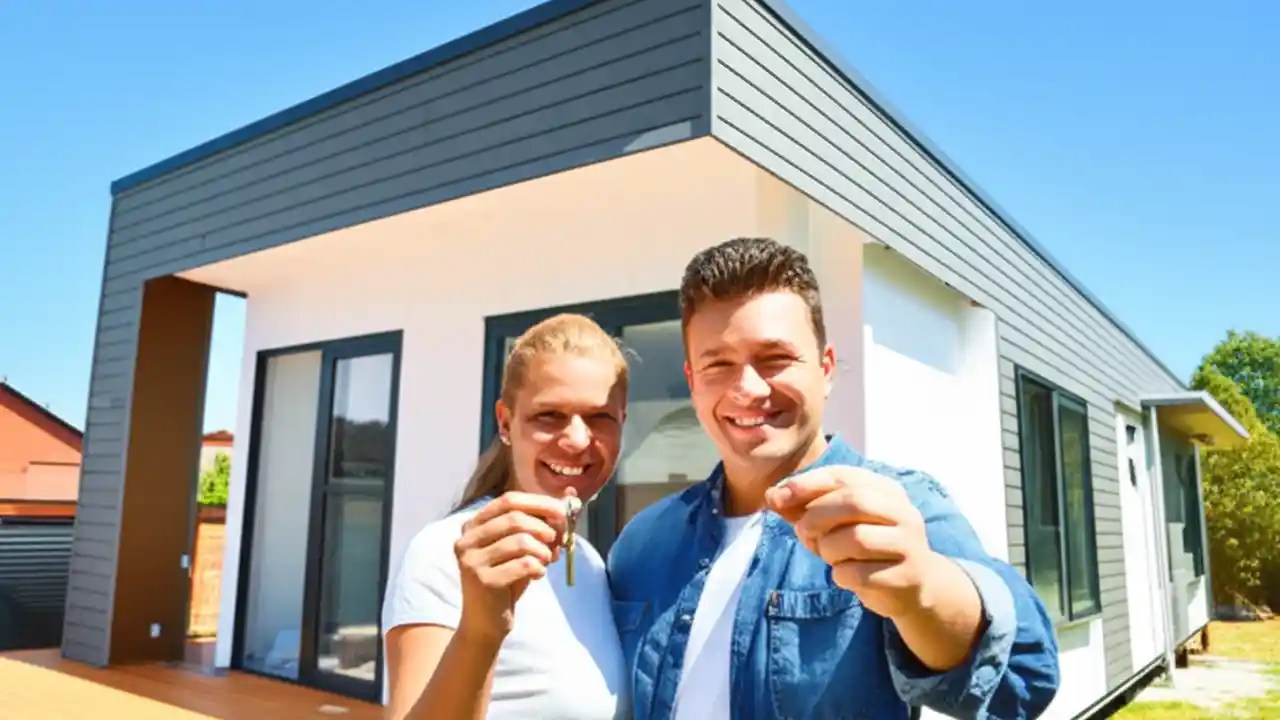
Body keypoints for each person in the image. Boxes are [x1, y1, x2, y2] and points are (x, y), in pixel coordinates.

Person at [607, 237, 1060, 719]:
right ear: (693, 381)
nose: (748, 389)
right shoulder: (642, 544)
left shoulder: (896, 510)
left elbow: (1025, 675)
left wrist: (922, 591)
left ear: (825, 369)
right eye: (718, 364)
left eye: (775, 358)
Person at [383, 313, 631, 720]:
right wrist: (481, 630)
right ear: (505, 421)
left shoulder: (588, 562)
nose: (576, 439)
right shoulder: (449, 551)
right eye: (549, 415)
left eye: (599, 417)